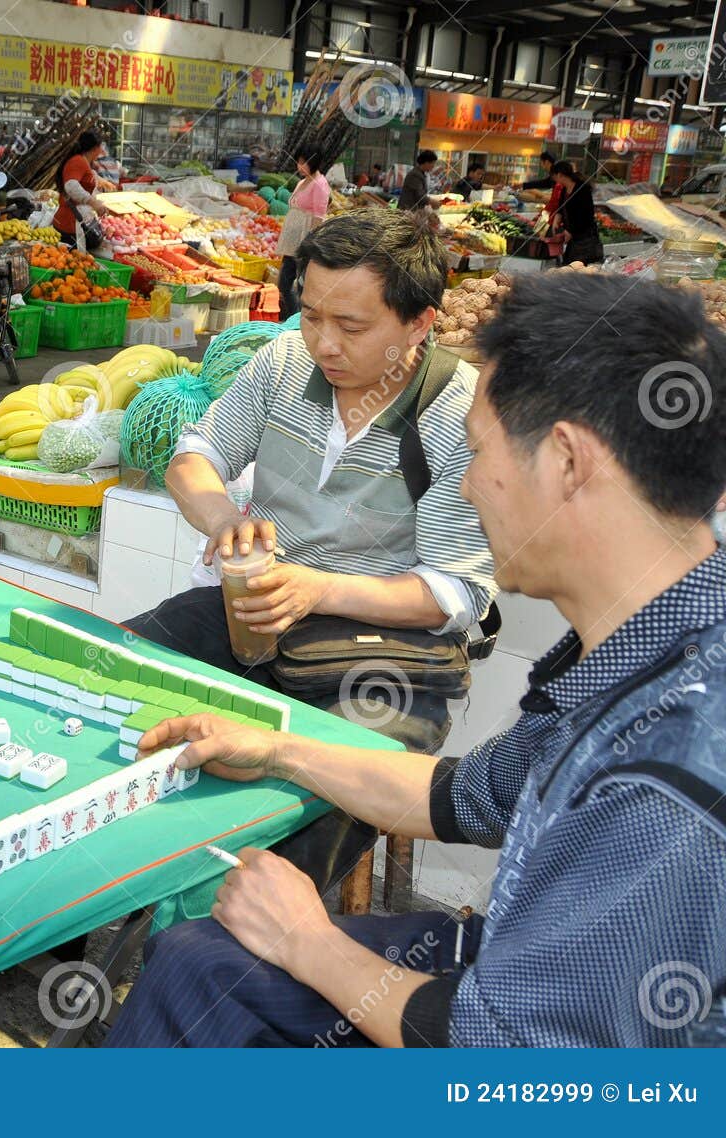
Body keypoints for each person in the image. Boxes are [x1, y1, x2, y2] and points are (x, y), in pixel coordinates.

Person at [108, 272, 726, 1047]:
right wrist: (277, 749)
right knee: (197, 958)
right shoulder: (654, 638)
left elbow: (516, 1060)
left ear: (567, 462)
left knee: (223, 974)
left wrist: (310, 939)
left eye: (475, 454)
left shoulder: (671, 769)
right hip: (511, 987)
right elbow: (468, 795)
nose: (465, 486)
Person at [127, 209, 497, 756]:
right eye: (312, 316)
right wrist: (224, 518)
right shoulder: (283, 362)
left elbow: (455, 592)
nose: (324, 344)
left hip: (374, 649)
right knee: (110, 676)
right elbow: (195, 458)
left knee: (335, 779)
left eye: (351, 327)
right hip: (251, 619)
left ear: (419, 322)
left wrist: (318, 590)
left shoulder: (461, 415)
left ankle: (264, 845)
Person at [276, 149, 329, 320]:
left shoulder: (320, 184)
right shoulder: (303, 182)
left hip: (304, 240)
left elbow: (319, 216)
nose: (299, 166)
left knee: (300, 284)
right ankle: (295, 318)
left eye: (303, 162)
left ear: (313, 162)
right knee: (285, 282)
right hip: (292, 241)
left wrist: (309, 243)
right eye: (298, 162)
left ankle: (298, 321)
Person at [53, 130, 108, 250]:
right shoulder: (77, 161)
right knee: (74, 262)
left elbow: (83, 179)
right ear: (95, 148)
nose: (102, 150)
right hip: (70, 223)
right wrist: (93, 202)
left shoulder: (83, 161)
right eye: (101, 146)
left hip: (74, 221)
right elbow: (71, 186)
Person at [549, 160, 602, 266]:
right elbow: (561, 206)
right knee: (567, 266)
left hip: (585, 239)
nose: (554, 180)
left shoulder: (582, 189)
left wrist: (570, 231)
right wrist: (557, 219)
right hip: (574, 240)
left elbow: (585, 216)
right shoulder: (565, 189)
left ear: (560, 175)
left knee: (577, 268)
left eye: (554, 177)